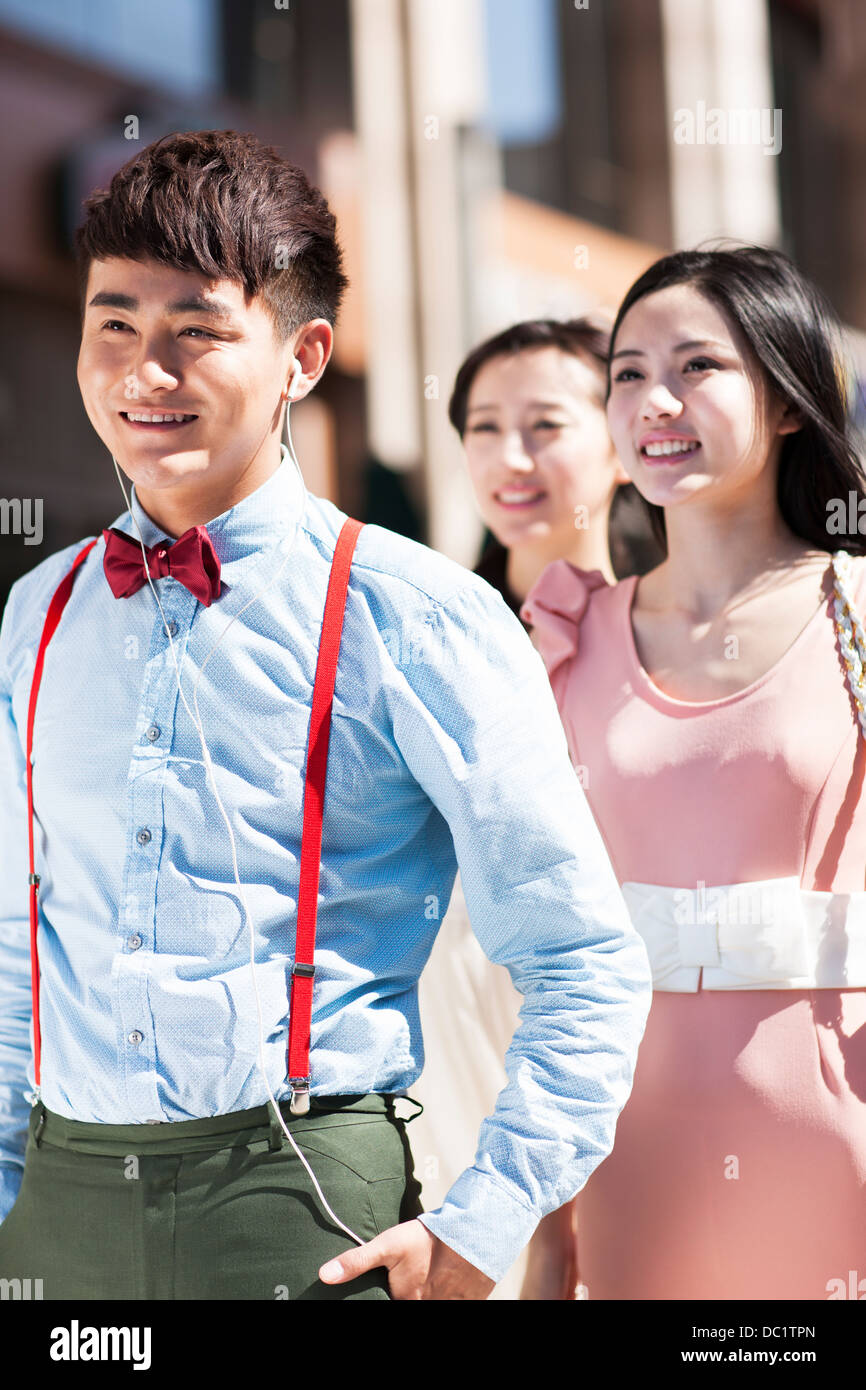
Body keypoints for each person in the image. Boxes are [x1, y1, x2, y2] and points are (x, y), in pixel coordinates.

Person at [0, 129, 653, 1301]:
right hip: (59, 1208)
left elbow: (582, 959)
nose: (146, 370)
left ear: (303, 356)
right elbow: (14, 948)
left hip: (301, 1198)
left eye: (196, 330)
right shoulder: (37, 614)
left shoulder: (420, 615)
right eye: (113, 325)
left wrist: (477, 1224)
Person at [520, 244, 866, 1300]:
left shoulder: (855, 608)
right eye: (626, 371)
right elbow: (539, 950)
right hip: (625, 1151)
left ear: (788, 400)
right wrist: (537, 1211)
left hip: (835, 1142)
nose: (652, 399)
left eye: (696, 366)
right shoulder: (565, 632)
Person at [410, 317, 657, 1297]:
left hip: (601, 1034)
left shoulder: (663, 644)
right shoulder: (420, 633)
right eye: (481, 426)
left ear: (618, 437)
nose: (508, 458)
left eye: (544, 423)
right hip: (439, 1025)